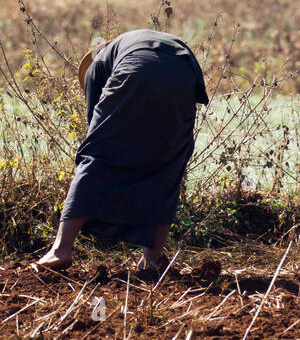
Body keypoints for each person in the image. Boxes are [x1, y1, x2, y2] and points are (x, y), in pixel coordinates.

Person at [37, 28, 209, 273]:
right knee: (167, 162)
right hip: (183, 74)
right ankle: (151, 261)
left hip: (139, 69)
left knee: (96, 156)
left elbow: (96, 130)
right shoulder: (127, 45)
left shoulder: (96, 67)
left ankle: (60, 250)